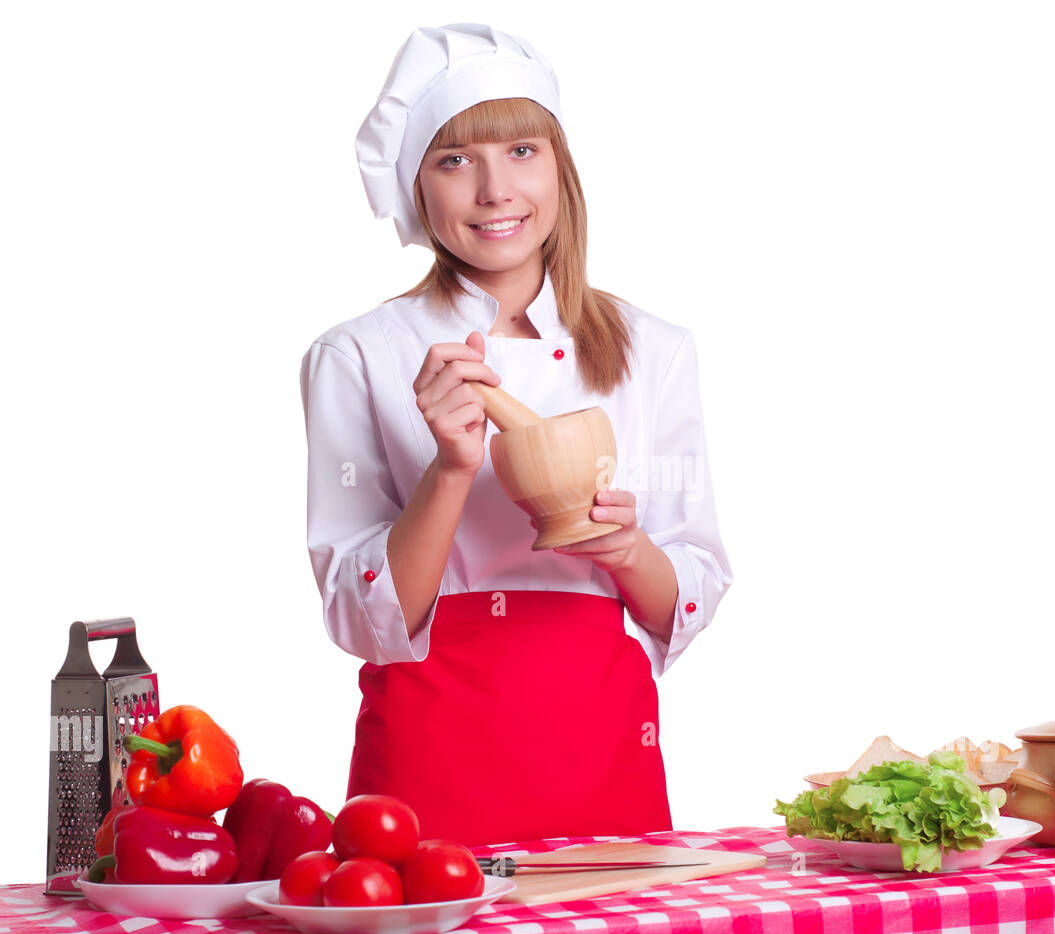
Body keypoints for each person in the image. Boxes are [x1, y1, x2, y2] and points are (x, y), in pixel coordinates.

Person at [299, 24, 732, 847]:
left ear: (561, 167)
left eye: (523, 151)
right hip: (429, 780)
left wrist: (626, 547)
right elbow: (360, 625)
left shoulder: (655, 351)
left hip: (606, 755)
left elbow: (693, 588)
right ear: (416, 188)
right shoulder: (355, 357)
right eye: (455, 160)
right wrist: (453, 469)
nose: (496, 190)